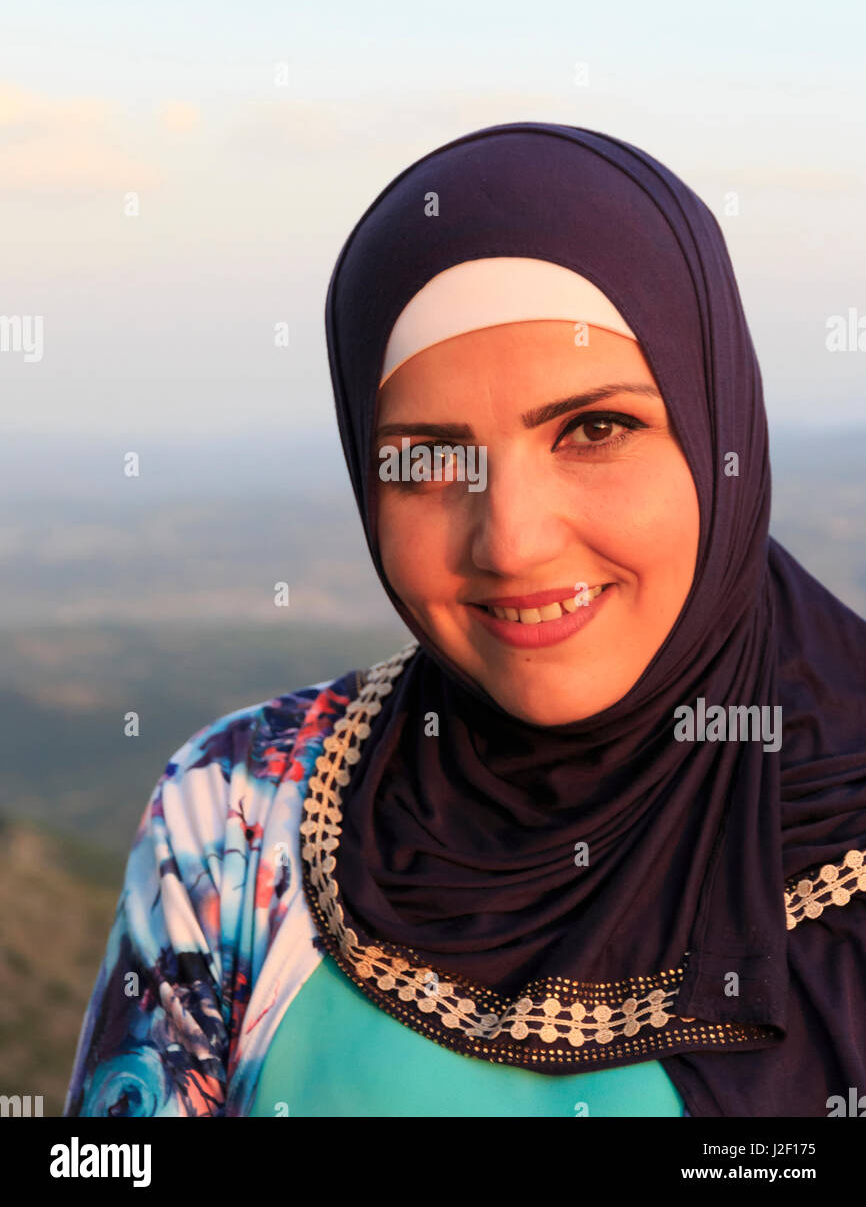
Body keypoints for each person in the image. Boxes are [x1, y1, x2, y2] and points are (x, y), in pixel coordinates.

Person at [65, 122, 866, 1119]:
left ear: (717, 430)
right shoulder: (235, 816)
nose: (511, 542)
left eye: (594, 429)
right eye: (427, 457)